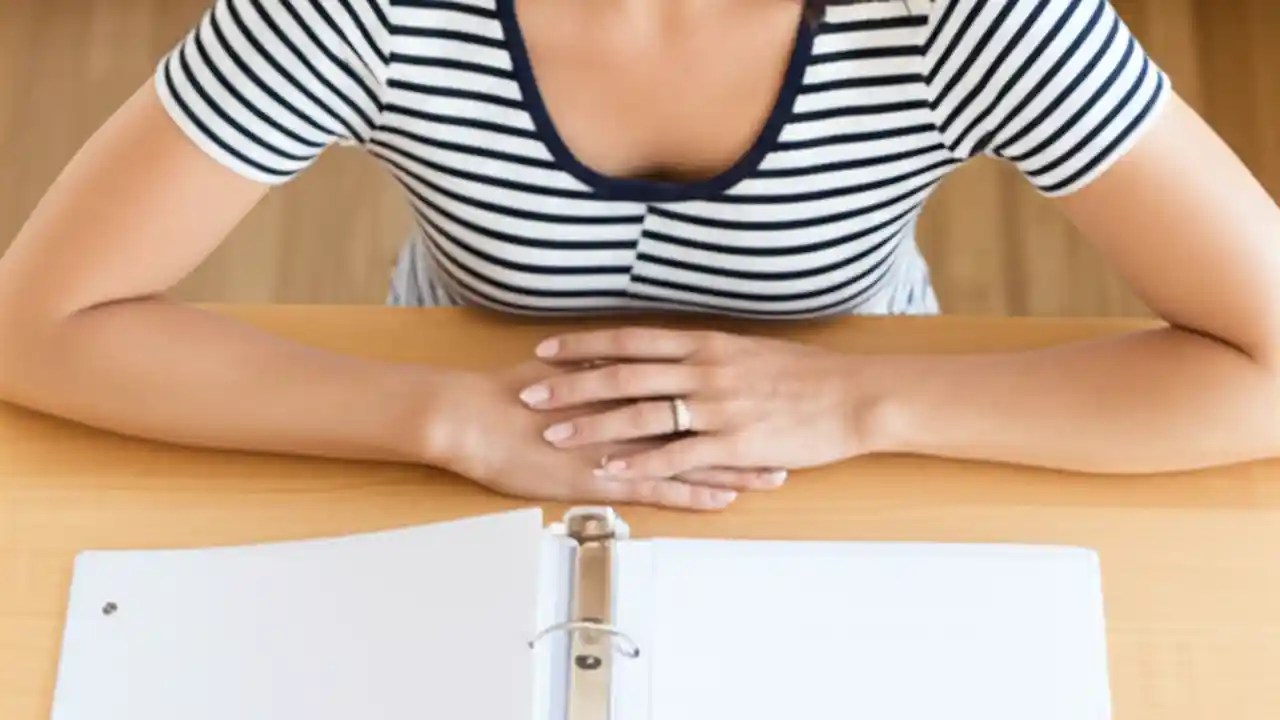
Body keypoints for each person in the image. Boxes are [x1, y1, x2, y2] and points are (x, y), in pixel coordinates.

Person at [1, 0, 1278, 512]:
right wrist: (433, 415)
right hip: (465, 442)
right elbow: (35, 322)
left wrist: (858, 400)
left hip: (848, 453)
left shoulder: (979, 18)